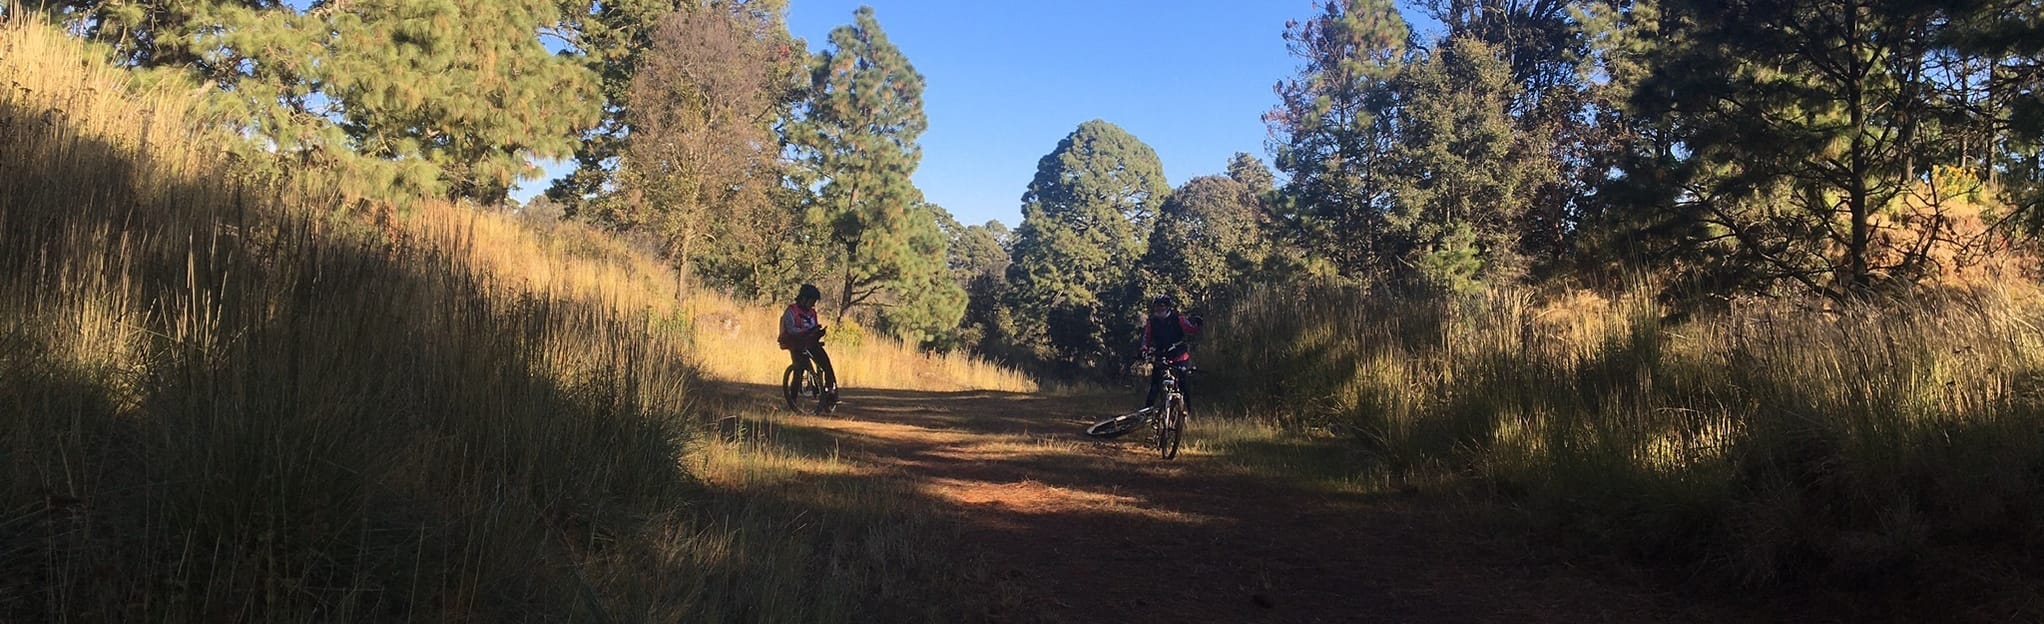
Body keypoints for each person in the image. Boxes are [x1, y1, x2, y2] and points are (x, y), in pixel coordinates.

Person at [1138, 294, 1203, 412]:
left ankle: (1187, 412)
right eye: (1157, 307)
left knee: (1183, 384)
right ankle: (1146, 414)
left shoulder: (1178, 319)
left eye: (1162, 307)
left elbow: (1190, 329)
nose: (1159, 309)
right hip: (1161, 356)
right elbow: (1146, 339)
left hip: (1179, 356)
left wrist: (1197, 325)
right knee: (1155, 387)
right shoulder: (1152, 322)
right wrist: (1144, 351)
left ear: (1168, 307)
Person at [779, 283, 838, 401]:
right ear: (803, 298)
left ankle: (830, 391)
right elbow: (790, 329)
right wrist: (807, 331)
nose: (813, 304)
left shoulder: (812, 313)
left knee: (826, 364)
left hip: (811, 343)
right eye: (812, 301)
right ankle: (793, 399)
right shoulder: (791, 311)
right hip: (796, 344)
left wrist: (818, 332)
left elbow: (813, 327)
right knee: (799, 370)